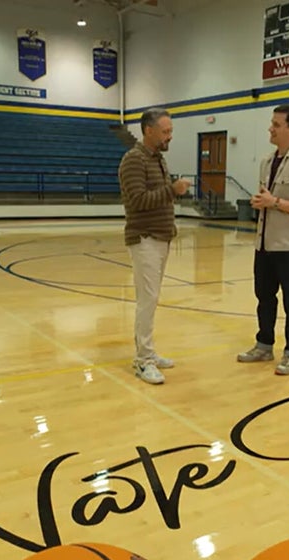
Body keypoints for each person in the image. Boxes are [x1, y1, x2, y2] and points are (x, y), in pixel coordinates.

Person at [238, 103, 289, 376]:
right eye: (271, 123)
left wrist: (274, 203)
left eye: (276, 124)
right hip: (264, 244)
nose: (270, 129)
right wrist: (262, 202)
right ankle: (264, 345)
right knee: (264, 296)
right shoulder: (267, 161)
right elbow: (269, 199)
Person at [118, 108, 191, 385]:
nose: (169, 136)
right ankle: (143, 360)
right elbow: (137, 200)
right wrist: (172, 190)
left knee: (151, 298)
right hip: (144, 238)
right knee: (147, 300)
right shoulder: (133, 160)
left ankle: (148, 351)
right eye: (165, 131)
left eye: (170, 131)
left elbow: (156, 198)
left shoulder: (157, 159)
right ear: (149, 131)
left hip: (160, 238)